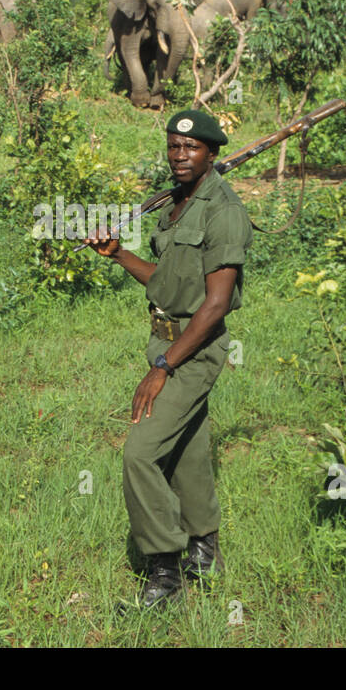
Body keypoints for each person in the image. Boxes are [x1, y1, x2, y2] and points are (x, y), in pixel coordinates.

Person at [84, 109, 252, 607]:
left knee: (139, 453)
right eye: (174, 147)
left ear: (212, 153)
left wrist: (163, 368)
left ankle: (165, 572)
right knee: (187, 450)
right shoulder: (178, 203)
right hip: (166, 338)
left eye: (192, 148)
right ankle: (204, 548)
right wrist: (117, 253)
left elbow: (215, 303)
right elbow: (169, 281)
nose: (180, 156)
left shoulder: (223, 211)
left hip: (192, 350)